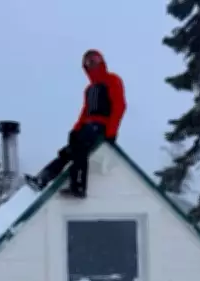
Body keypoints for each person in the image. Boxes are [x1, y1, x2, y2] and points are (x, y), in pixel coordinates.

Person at [26, 49, 126, 197]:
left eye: (94, 60)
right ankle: (42, 179)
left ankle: (78, 186)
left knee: (79, 149)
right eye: (88, 62)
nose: (92, 64)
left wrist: (111, 132)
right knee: (67, 152)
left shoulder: (112, 80)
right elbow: (85, 112)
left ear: (101, 62)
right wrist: (75, 129)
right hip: (88, 126)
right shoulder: (89, 89)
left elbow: (119, 106)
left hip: (102, 126)